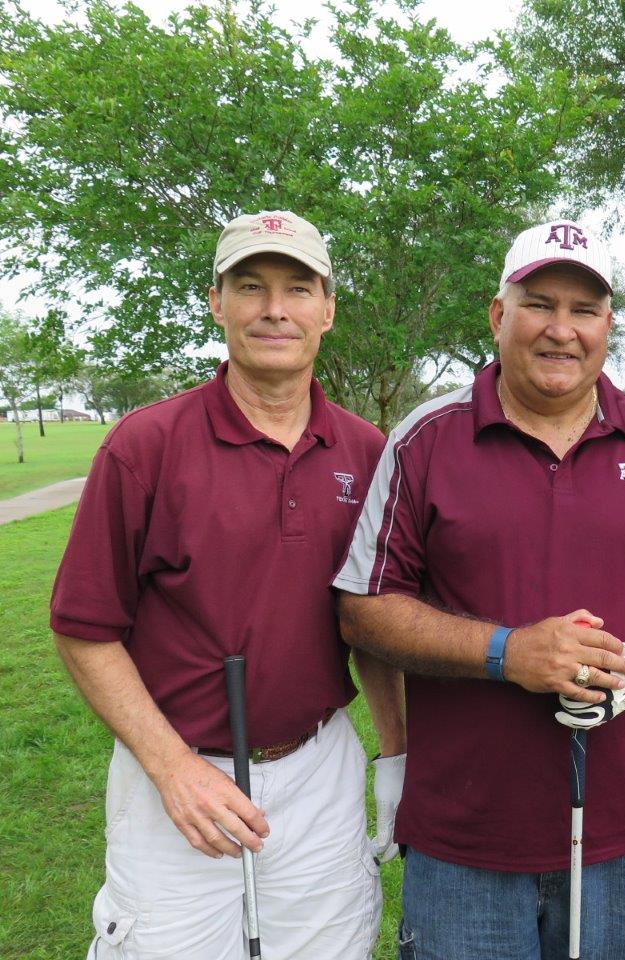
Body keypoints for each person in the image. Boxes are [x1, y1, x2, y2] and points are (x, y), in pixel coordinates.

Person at [331, 218, 625, 960]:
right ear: (498, 315)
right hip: (465, 838)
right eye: (539, 304)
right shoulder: (426, 440)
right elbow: (364, 609)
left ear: (608, 325)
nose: (562, 329)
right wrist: (505, 651)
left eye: (584, 310)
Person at [50, 210, 406, 960]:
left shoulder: (367, 451)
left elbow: (373, 624)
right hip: (178, 777)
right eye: (251, 286)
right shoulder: (144, 445)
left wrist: (396, 754)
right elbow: (84, 627)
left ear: (328, 309)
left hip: (317, 771)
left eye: (298, 289)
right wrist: (172, 768)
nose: (275, 309)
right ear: (216, 303)